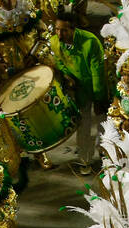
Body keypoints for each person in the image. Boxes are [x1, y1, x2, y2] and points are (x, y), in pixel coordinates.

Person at [49, 6, 108, 175]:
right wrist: (67, 76)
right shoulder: (55, 42)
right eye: (57, 30)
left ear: (74, 29)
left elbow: (97, 72)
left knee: (103, 124)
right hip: (79, 89)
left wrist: (99, 99)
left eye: (64, 31)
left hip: (97, 87)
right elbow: (59, 63)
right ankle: (85, 160)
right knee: (83, 126)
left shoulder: (90, 42)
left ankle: (107, 157)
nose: (60, 35)